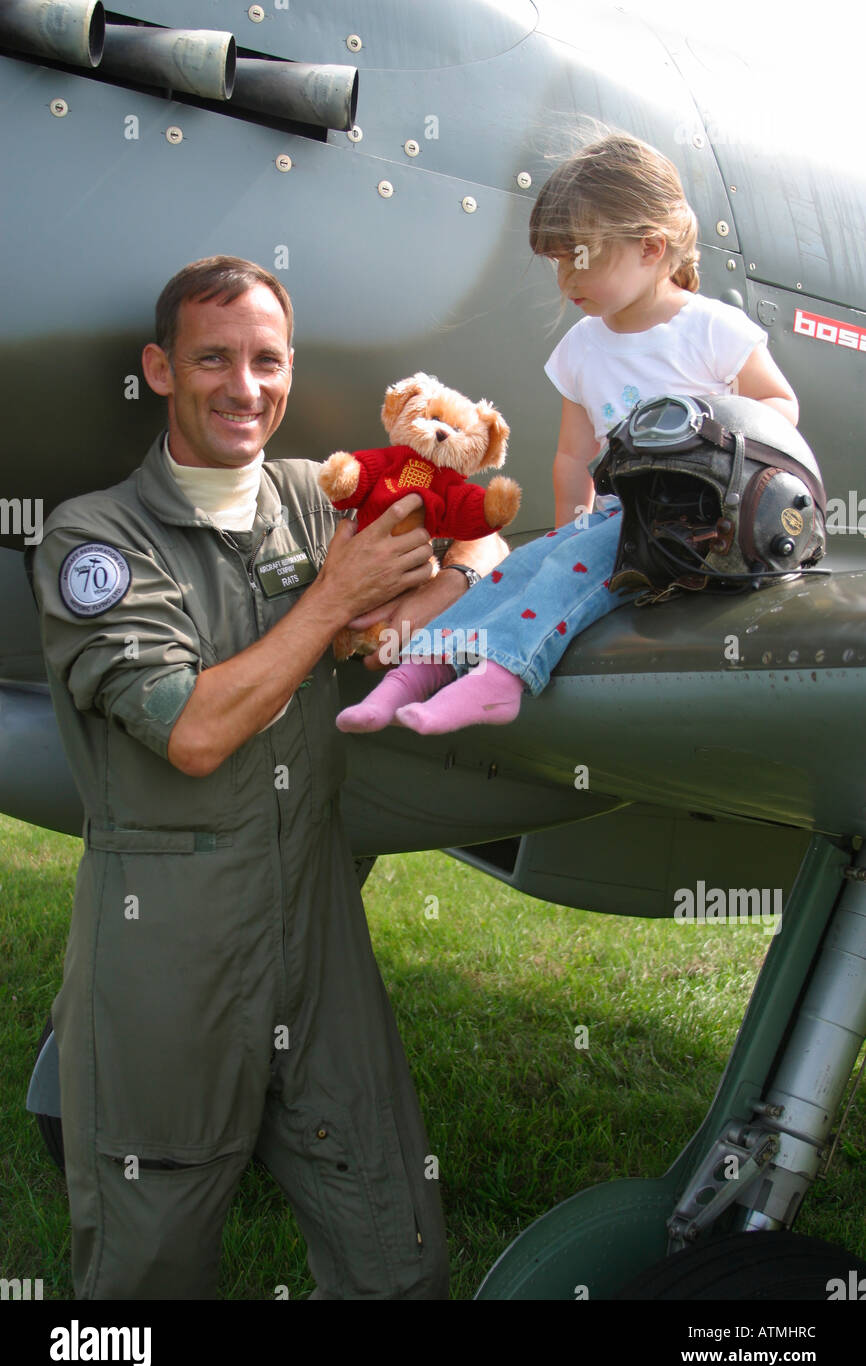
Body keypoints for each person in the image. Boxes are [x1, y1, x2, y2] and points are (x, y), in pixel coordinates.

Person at [31, 255, 503, 1300]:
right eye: (212, 358)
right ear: (159, 368)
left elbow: (484, 533)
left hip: (318, 925)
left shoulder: (310, 495)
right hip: (168, 954)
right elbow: (194, 733)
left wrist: (421, 600)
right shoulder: (93, 539)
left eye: (266, 360)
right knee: (144, 1268)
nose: (245, 388)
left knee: (394, 1240)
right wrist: (335, 600)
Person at [336, 133, 799, 737]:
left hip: (696, 523)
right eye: (556, 261)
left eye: (579, 258)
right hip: (618, 520)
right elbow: (572, 456)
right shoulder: (581, 347)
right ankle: (416, 672)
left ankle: (500, 679)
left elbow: (778, 405)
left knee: (564, 571)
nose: (563, 279)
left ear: (651, 248)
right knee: (518, 567)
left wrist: (712, 437)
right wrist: (564, 533)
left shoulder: (711, 328)